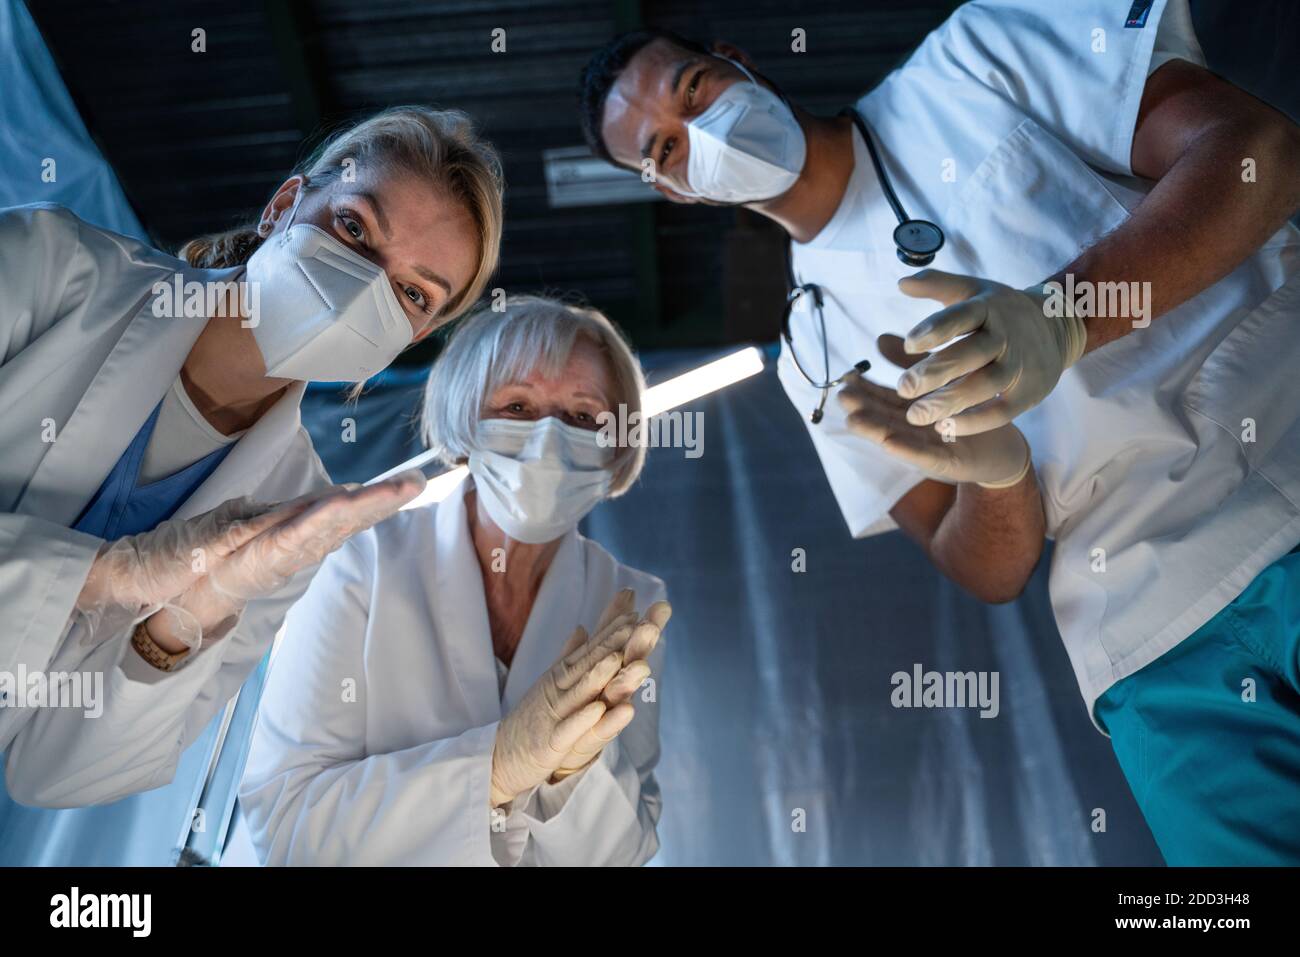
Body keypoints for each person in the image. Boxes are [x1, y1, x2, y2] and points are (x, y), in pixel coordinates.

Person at [579, 1, 1300, 864]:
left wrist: (1064, 316)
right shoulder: (813, 353)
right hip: (1158, 635)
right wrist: (998, 479)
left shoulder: (976, 55)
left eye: (693, 90)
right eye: (665, 149)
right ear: (671, 190)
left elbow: (1260, 153)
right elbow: (982, 568)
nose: (697, 134)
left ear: (736, 61)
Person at [1, 105, 505, 807]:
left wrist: (186, 623)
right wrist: (108, 575)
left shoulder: (286, 519)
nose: (366, 287)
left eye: (412, 293)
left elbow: (52, 773)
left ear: (411, 337)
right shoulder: (50, 268)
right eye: (355, 228)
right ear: (284, 206)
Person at [240, 296, 670, 866]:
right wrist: (497, 769)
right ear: (465, 421)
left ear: (617, 447)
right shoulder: (359, 563)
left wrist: (574, 776)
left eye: (582, 417)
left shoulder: (630, 602)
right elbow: (287, 824)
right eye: (517, 406)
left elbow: (626, 852)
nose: (547, 442)